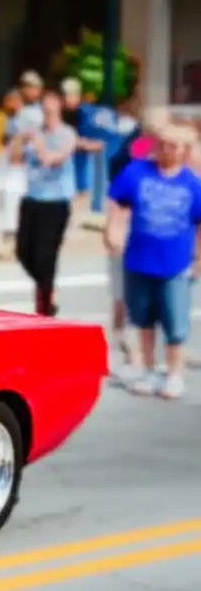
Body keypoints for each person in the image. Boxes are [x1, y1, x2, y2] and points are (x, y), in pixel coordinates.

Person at [105, 123, 201, 400]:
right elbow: (118, 200)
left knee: (175, 322)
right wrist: (114, 228)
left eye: (173, 145)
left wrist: (198, 257)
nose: (166, 149)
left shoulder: (192, 184)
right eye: (163, 143)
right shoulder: (137, 172)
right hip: (138, 260)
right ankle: (148, 370)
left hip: (175, 265)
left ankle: (174, 374)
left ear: (183, 151)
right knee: (143, 319)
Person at [12, 90, 77, 316]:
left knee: (45, 256)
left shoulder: (67, 134)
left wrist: (37, 142)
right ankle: (47, 288)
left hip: (55, 201)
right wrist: (19, 139)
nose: (48, 112)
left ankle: (45, 304)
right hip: (32, 198)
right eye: (44, 108)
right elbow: (16, 159)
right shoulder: (35, 133)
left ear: (59, 108)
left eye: (52, 107)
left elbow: (51, 160)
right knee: (23, 252)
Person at [0, 89, 29, 260]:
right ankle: (8, 239)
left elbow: (21, 142)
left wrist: (18, 152)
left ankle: (12, 242)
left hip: (17, 167)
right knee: (0, 196)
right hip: (7, 165)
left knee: (12, 200)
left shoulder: (25, 120)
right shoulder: (10, 120)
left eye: (12, 101)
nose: (9, 104)